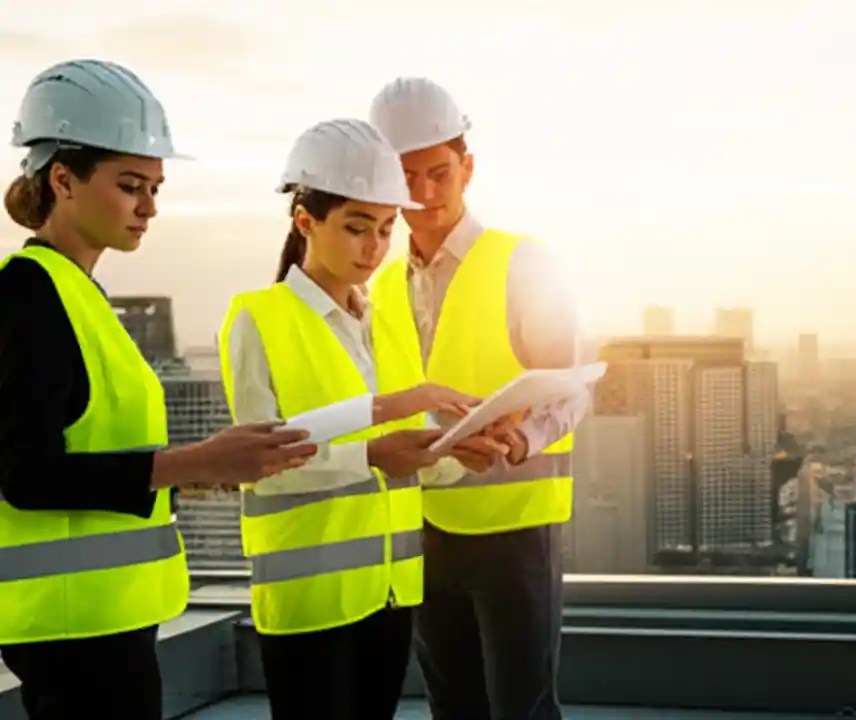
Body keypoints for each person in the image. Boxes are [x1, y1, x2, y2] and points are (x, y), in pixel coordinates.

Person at [0, 59, 319, 720]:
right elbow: (24, 476)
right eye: (130, 185)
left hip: (105, 619)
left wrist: (211, 468)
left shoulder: (78, 295)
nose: (150, 206)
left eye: (155, 186)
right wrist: (199, 461)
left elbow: (98, 453)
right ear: (63, 179)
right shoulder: (26, 296)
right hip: (70, 631)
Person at [217, 117, 510, 720]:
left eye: (383, 230)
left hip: (390, 594)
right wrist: (375, 457)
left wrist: (454, 451)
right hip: (308, 600)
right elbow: (260, 468)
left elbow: (410, 459)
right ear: (306, 222)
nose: (374, 249)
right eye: (356, 229)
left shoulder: (386, 324)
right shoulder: (258, 319)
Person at [369, 77, 590, 720]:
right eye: (407, 177)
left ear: (467, 167)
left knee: (521, 708)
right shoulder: (381, 286)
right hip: (422, 529)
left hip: (515, 528)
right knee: (452, 706)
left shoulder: (526, 263)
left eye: (439, 172)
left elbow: (570, 392)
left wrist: (523, 439)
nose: (425, 193)